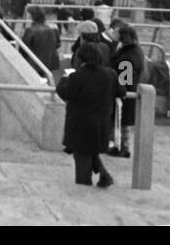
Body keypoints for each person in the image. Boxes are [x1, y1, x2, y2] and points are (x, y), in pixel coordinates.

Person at [55, 42, 123, 188]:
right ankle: (104, 176)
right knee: (91, 151)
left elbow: (66, 93)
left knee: (82, 159)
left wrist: (62, 81)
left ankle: (85, 188)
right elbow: (122, 91)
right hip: (101, 123)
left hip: (80, 125)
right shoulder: (111, 74)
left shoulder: (77, 76)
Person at [108, 25, 146, 159]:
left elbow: (125, 80)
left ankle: (122, 148)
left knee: (121, 121)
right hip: (128, 91)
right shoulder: (135, 51)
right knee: (122, 121)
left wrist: (119, 92)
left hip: (124, 94)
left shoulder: (127, 57)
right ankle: (120, 146)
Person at [21, 7, 61, 82]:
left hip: (35, 63)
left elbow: (24, 48)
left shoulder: (30, 30)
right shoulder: (53, 29)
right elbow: (58, 44)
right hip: (50, 62)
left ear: (33, 17)